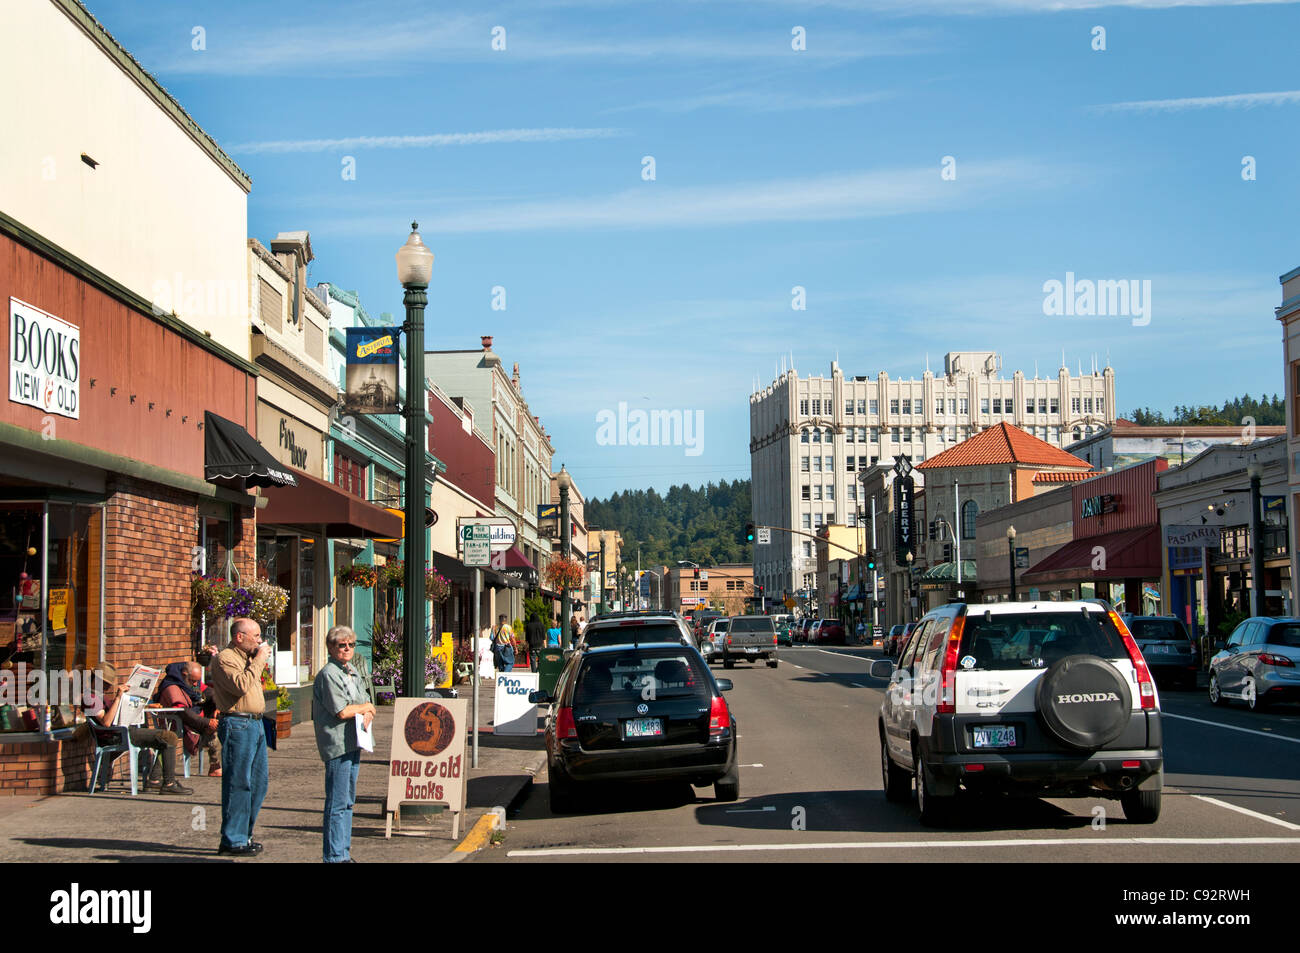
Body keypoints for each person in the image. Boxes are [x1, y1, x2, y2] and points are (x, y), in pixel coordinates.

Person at [312, 626, 376, 864]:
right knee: (338, 802)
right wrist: (365, 708)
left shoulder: (350, 671)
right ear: (331, 648)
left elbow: (365, 700)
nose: (347, 649)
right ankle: (334, 856)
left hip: (354, 741)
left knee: (348, 801)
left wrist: (368, 709)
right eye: (341, 645)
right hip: (337, 744)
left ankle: (343, 853)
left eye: (351, 644)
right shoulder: (329, 674)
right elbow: (342, 711)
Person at [208, 617, 271, 857]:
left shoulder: (247, 658)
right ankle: (233, 840)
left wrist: (256, 659)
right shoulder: (226, 658)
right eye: (254, 635)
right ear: (239, 637)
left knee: (258, 783)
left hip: (255, 724)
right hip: (237, 723)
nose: (259, 639)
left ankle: (245, 834)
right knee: (238, 782)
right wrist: (260, 658)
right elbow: (241, 685)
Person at [82, 661, 193, 795]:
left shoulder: (100, 696)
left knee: (167, 737)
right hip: (117, 734)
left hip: (123, 730)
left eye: (108, 683)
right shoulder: (90, 698)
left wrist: (142, 705)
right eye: (105, 683)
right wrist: (118, 698)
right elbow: (106, 722)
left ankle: (155, 780)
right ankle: (167, 783)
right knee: (169, 737)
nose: (107, 686)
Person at [157, 661, 222, 777]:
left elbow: (209, 692)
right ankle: (215, 765)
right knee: (213, 726)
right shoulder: (171, 686)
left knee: (220, 721)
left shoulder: (192, 681)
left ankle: (215, 765)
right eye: (193, 681)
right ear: (184, 674)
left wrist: (218, 705)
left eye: (197, 680)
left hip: (195, 719)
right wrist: (207, 722)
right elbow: (183, 712)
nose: (195, 684)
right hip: (179, 724)